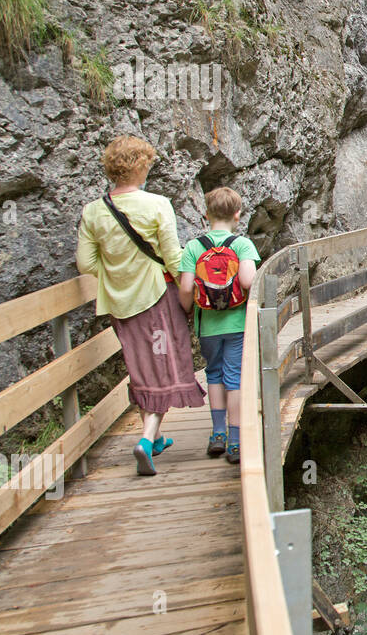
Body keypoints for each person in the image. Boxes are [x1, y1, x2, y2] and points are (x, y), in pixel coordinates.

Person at [76, 136, 205, 476]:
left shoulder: (93, 211)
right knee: (163, 364)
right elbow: (174, 257)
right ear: (140, 166)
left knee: (140, 364)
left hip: (119, 303)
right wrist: (187, 291)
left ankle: (156, 437)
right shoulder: (157, 204)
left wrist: (118, 275)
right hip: (156, 296)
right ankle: (146, 439)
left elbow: (86, 263)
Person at [178, 187, 260, 464]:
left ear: (206, 214)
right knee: (234, 377)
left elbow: (186, 287)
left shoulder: (193, 247)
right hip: (236, 323)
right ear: (238, 215)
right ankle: (236, 441)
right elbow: (248, 281)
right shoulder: (242, 245)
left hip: (208, 325)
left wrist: (188, 310)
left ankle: (217, 435)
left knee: (213, 374)